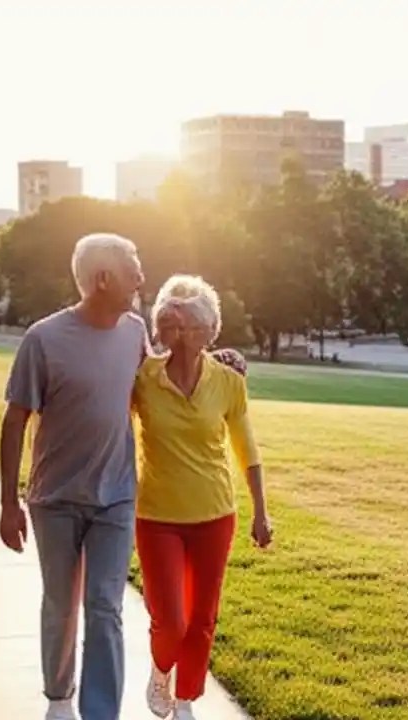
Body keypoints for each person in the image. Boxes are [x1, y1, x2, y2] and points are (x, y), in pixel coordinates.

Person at [0, 232, 147, 720]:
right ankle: (59, 699)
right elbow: (14, 421)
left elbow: (161, 383)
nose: (141, 278)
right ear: (103, 279)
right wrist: (8, 504)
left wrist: (217, 360)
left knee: (104, 607)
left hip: (116, 497)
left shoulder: (135, 332)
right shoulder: (43, 339)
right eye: (133, 270)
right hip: (56, 498)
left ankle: (100, 713)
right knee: (61, 605)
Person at [133, 275, 274, 720]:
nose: (186, 335)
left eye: (195, 327)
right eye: (176, 326)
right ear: (164, 329)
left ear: (210, 331)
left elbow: (246, 448)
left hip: (215, 515)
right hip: (156, 515)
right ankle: (161, 672)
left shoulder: (228, 382)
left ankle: (186, 700)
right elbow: (112, 425)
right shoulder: (144, 379)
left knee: (202, 618)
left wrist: (261, 512)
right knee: (170, 620)